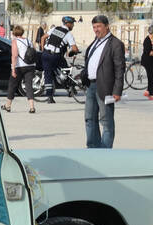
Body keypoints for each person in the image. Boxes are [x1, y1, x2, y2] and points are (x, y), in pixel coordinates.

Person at [81, 14, 125, 148]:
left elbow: (119, 69)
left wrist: (117, 91)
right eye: (94, 27)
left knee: (106, 121)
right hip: (91, 85)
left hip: (106, 87)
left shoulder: (116, 44)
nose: (96, 29)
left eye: (99, 26)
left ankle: (105, 150)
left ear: (107, 26)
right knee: (89, 118)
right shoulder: (95, 42)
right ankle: (93, 147)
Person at [38, 16, 79, 103]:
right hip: (56, 56)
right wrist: (72, 53)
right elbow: (75, 48)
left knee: (48, 75)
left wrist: (42, 50)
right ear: (68, 24)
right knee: (66, 70)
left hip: (46, 54)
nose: (73, 26)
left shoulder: (54, 29)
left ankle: (50, 97)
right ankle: (70, 88)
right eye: (72, 24)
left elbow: (42, 38)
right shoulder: (68, 34)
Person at [3, 24, 36, 113]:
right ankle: (32, 107)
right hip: (30, 66)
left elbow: (14, 56)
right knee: (29, 86)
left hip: (19, 66)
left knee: (12, 85)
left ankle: (8, 106)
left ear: (14, 33)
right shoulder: (29, 41)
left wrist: (13, 69)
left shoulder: (15, 41)